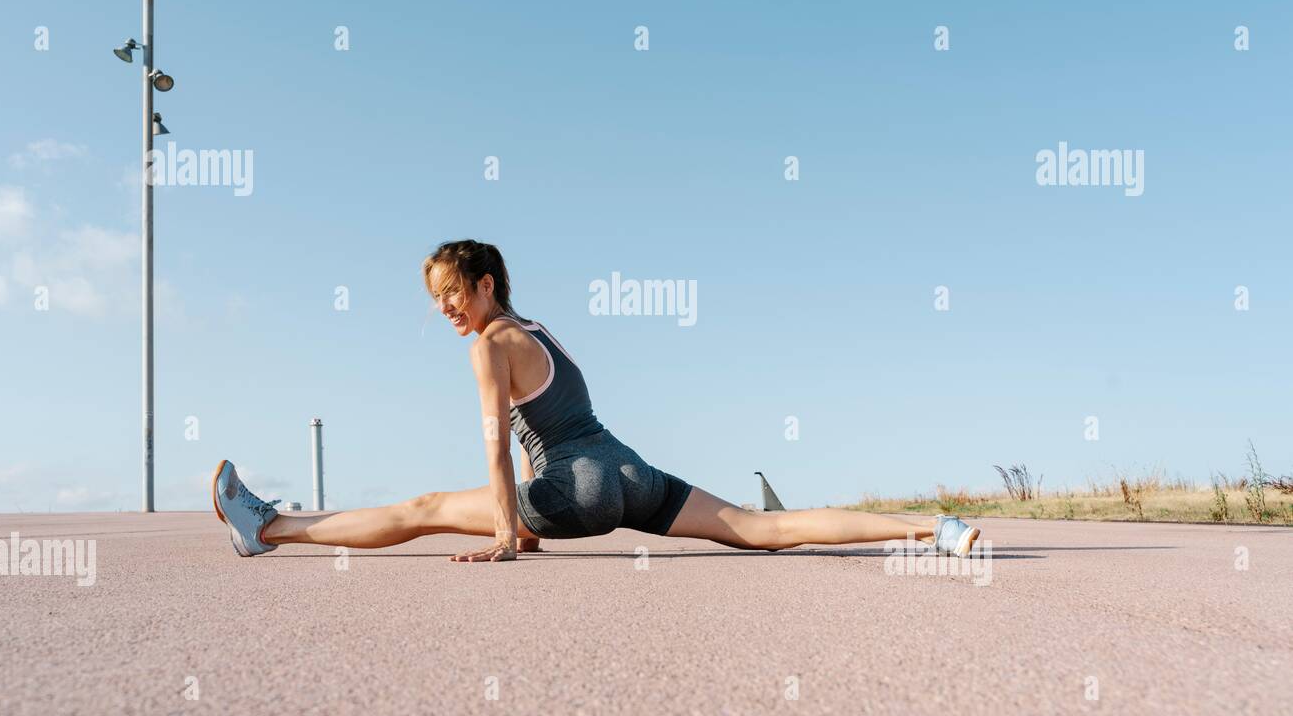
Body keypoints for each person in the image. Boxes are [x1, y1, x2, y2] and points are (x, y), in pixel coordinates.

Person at [211, 239, 982, 562]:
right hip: (627, 471)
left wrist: (509, 534)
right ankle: (935, 529)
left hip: (578, 484)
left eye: (453, 293)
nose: (446, 308)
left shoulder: (488, 345)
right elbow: (539, 431)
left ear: (486, 284)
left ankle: (268, 528)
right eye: (435, 298)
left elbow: (494, 443)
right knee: (761, 527)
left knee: (424, 505)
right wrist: (530, 519)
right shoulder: (538, 331)